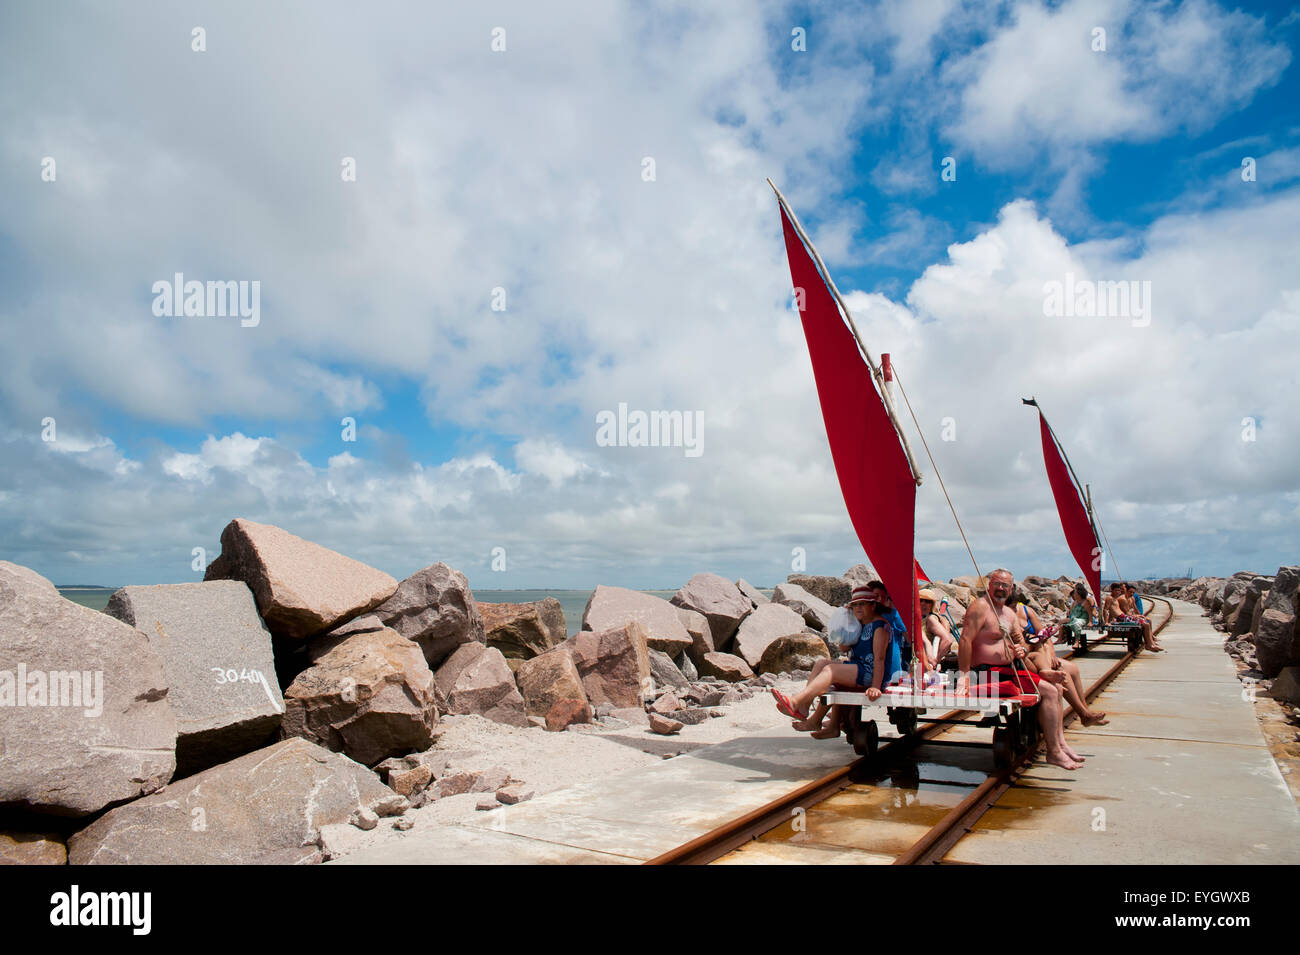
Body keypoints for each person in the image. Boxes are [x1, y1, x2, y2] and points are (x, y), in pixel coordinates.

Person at [956, 569, 1085, 771]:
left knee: (1058, 689)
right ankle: (1053, 752)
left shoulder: (1008, 613)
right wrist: (963, 677)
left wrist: (1021, 649)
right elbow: (965, 640)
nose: (1000, 588)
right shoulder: (981, 607)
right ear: (989, 586)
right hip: (987, 672)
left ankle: (1060, 744)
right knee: (1051, 691)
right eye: (997, 584)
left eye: (1005, 585)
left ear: (1011, 588)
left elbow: (1021, 641)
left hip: (1009, 668)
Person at [773, 586, 891, 739]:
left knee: (831, 671)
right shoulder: (860, 624)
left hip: (870, 673)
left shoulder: (879, 627)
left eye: (863, 604)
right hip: (857, 667)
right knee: (822, 663)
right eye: (855, 605)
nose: (858, 608)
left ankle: (798, 701)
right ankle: (806, 708)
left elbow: (879, 659)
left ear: (873, 606)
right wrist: (847, 617)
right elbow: (843, 647)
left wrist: (875, 686)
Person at [1010, 588, 1109, 726]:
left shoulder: (1026, 610)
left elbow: (1045, 635)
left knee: (1072, 668)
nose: (1015, 607)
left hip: (1041, 654)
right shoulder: (1004, 615)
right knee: (1063, 673)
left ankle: (1086, 711)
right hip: (1030, 657)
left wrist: (1052, 655)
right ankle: (1083, 713)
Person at [865, 580, 909, 682]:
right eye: (876, 596)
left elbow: (910, 638)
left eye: (883, 597)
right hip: (868, 673)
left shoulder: (893, 615)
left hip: (891, 676)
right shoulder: (861, 617)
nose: (879, 599)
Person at [919, 589, 956, 668]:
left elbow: (947, 640)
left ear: (932, 604)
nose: (923, 603)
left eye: (927, 601)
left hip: (926, 663)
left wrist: (936, 659)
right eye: (920, 600)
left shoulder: (931, 619)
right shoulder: (920, 619)